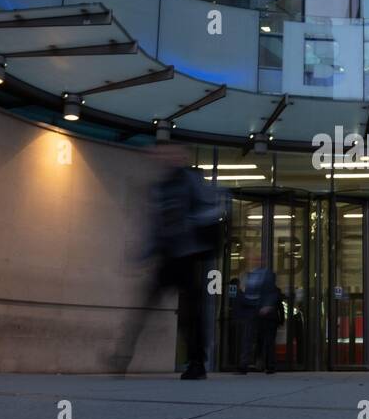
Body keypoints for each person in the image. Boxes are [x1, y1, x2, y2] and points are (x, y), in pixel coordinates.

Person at [112, 144, 222, 380]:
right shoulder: (160, 188)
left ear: (182, 157)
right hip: (167, 255)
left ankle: (197, 363)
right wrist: (141, 255)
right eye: (161, 153)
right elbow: (155, 226)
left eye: (170, 154)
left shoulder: (193, 180)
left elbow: (214, 207)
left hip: (188, 255)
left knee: (190, 314)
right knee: (144, 306)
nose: (164, 157)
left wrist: (189, 222)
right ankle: (122, 356)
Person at [238, 268, 286, 374]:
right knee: (266, 342)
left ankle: (257, 364)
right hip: (268, 319)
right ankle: (267, 365)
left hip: (266, 319)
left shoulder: (262, 291)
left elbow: (278, 306)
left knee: (256, 341)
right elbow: (280, 307)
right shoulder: (273, 291)